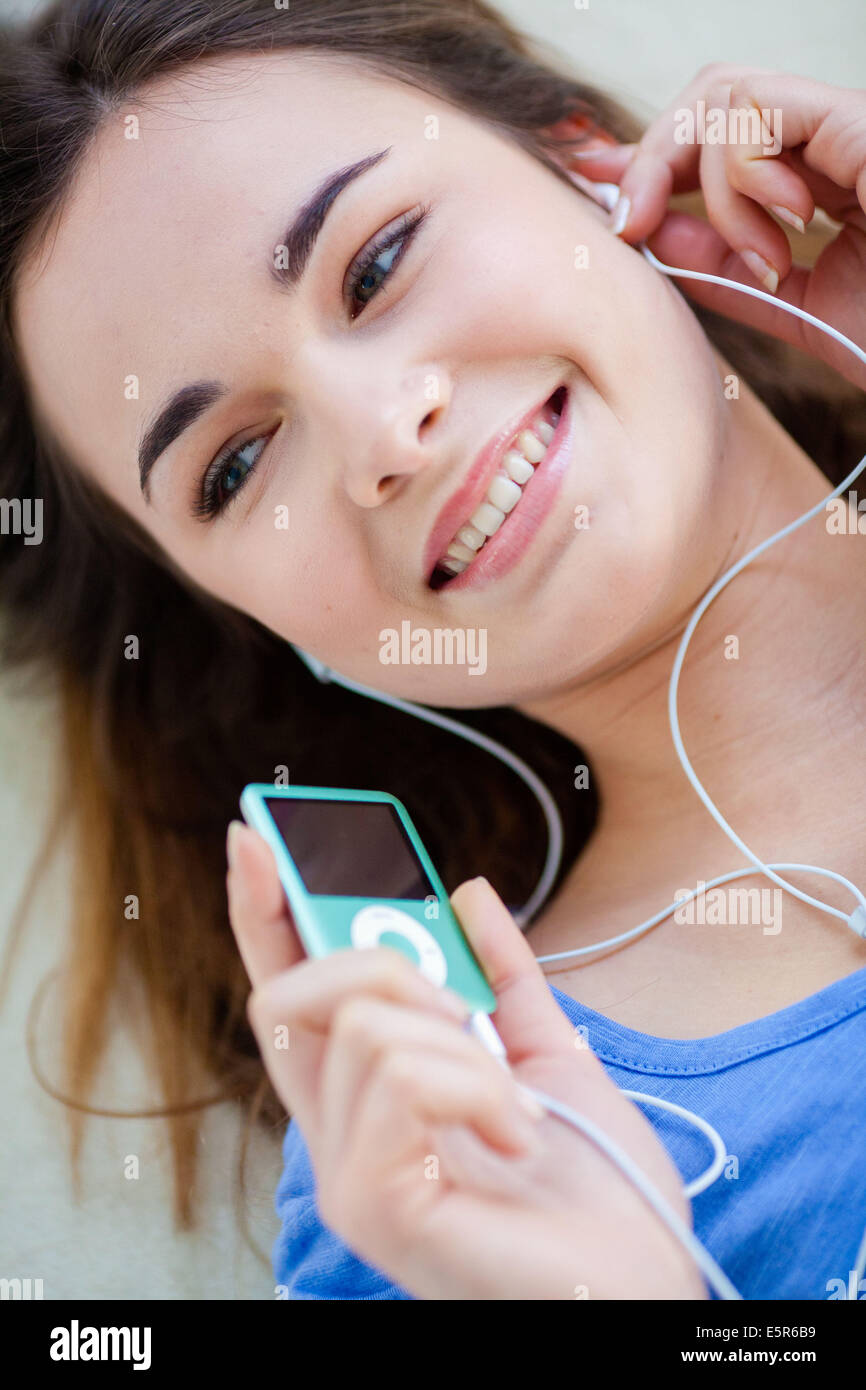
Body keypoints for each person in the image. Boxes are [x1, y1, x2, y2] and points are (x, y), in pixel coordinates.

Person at [2, 0, 865, 1299]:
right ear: (249, 623)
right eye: (233, 467)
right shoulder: (436, 1167)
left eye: (378, 258)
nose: (378, 436)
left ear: (583, 163)